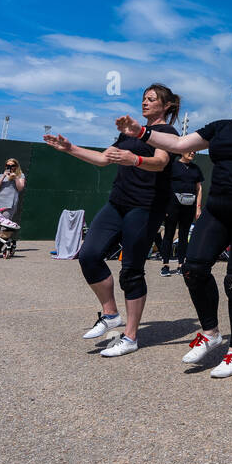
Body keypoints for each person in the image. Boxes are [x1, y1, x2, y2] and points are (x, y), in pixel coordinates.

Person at [119, 75, 232, 378]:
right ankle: (211, 332)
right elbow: (177, 143)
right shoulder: (220, 127)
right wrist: (142, 132)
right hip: (219, 206)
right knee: (193, 268)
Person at [46, 85, 178, 357]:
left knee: (131, 269)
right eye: (143, 98)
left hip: (145, 206)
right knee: (89, 255)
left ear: (165, 106)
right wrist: (70, 148)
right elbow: (103, 159)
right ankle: (110, 315)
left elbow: (161, 162)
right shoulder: (129, 132)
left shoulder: (167, 133)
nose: (144, 103)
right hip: (117, 202)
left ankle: (130, 337)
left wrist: (135, 159)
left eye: (151, 99)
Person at [158, 151, 203, 277]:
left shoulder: (196, 169)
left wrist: (198, 208)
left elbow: (199, 189)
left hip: (189, 208)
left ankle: (181, 265)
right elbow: (164, 187)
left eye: (194, 151)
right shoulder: (172, 166)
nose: (192, 153)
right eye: (190, 150)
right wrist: (164, 207)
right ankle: (165, 265)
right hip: (172, 206)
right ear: (182, 151)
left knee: (184, 236)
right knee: (168, 234)